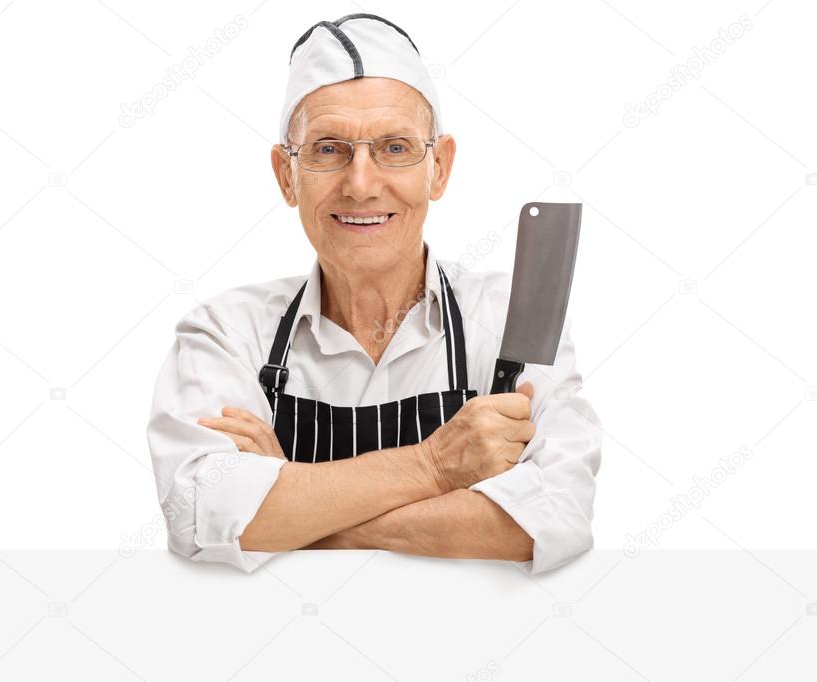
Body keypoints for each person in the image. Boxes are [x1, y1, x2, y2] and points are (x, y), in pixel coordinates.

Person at [146, 13, 602, 574]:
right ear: (287, 176)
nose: (361, 184)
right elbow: (197, 513)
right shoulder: (225, 333)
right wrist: (436, 467)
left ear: (440, 167)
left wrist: (291, 503)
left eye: (394, 148)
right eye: (329, 149)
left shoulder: (508, 318)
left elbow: (554, 516)